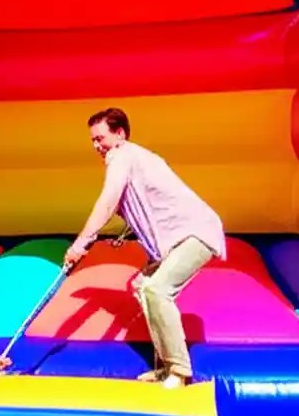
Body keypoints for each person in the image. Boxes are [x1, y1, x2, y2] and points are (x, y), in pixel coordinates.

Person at [64, 108, 227, 389]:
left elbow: (107, 201)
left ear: (120, 134)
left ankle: (179, 370)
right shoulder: (134, 159)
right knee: (142, 285)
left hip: (196, 232)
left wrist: (79, 244)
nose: (96, 146)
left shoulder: (122, 156)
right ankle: (164, 367)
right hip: (180, 238)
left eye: (100, 138)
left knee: (157, 289)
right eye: (92, 140)